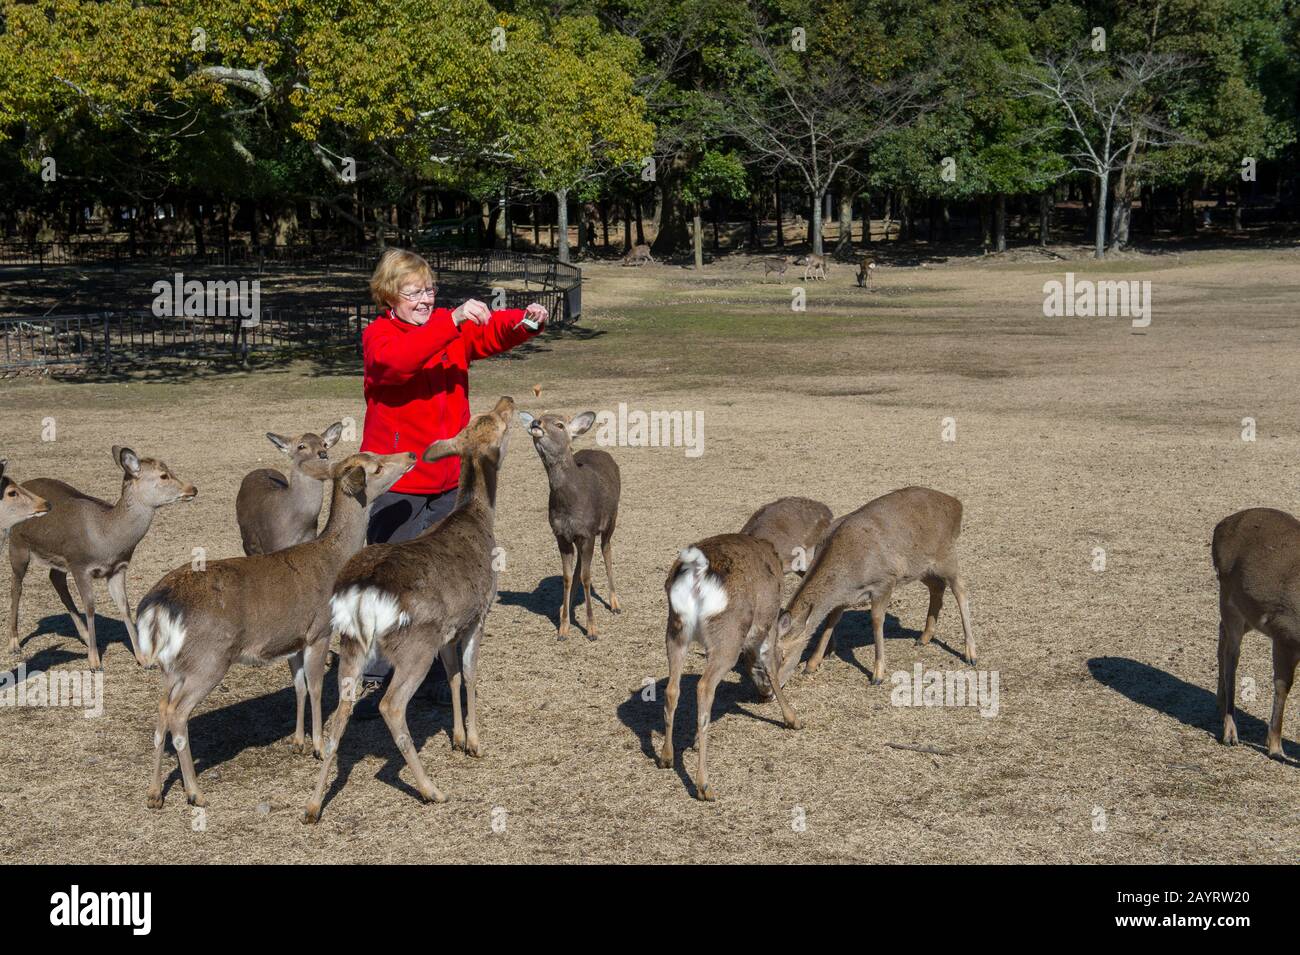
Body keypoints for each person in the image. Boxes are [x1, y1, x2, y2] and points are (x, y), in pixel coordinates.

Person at [352, 248, 548, 717]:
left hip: (448, 481)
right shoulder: (379, 336)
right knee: (391, 581)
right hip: (397, 482)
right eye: (414, 291)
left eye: (429, 290)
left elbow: (490, 335)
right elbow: (399, 365)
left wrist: (525, 321)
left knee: (443, 583)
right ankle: (379, 670)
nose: (425, 298)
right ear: (389, 296)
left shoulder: (448, 329)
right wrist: (449, 320)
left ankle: (440, 673)